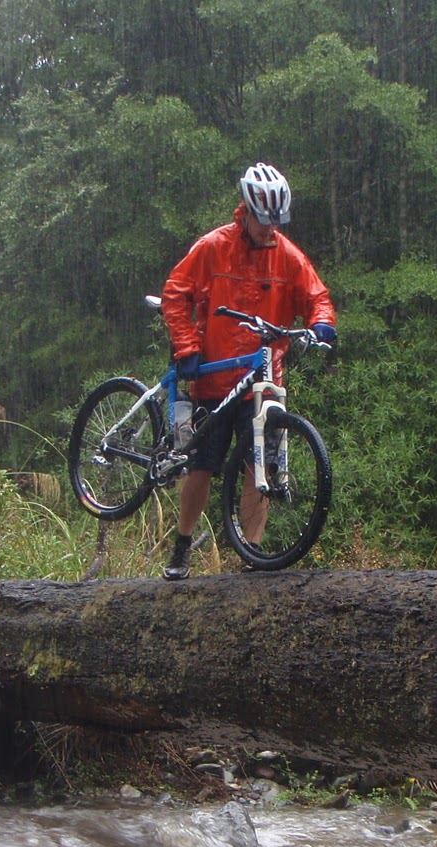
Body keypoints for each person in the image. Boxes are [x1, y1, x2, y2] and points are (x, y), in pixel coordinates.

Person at [157, 162, 337, 580]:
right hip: (214, 376)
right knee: (202, 465)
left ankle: (250, 555)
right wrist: (187, 346)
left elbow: (317, 296)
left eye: (277, 222)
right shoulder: (213, 247)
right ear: (248, 211)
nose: (270, 230)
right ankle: (182, 545)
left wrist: (323, 323)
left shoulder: (287, 255)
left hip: (264, 378)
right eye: (264, 221)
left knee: (263, 466)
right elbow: (175, 293)